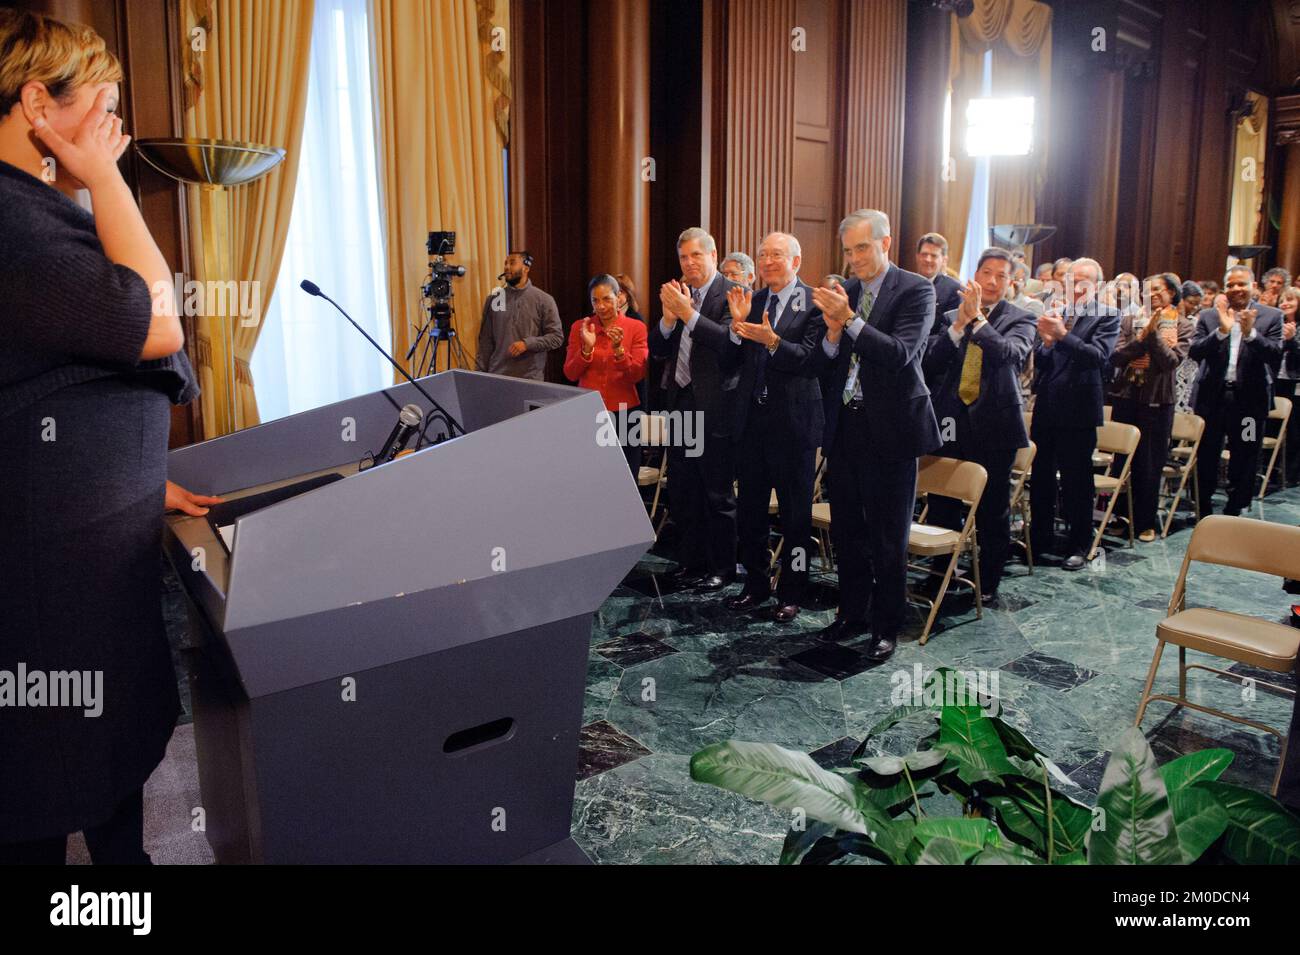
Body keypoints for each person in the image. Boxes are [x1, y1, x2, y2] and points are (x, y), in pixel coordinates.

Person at [0, 8, 221, 864]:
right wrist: (107, 178)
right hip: (42, 587)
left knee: (110, 776)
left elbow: (60, 373)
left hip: (84, 550)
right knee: (40, 794)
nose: (115, 123)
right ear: (36, 102)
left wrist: (134, 478)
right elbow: (156, 320)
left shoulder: (34, 206)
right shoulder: (13, 221)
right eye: (103, 100)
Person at [809, 209, 941, 661]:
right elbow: (826, 362)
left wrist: (849, 321)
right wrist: (831, 334)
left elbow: (900, 354)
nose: (854, 259)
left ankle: (886, 626)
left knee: (887, 537)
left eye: (862, 248)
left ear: (886, 243)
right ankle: (851, 613)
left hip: (892, 430)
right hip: (846, 425)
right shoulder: (844, 292)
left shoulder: (916, 290)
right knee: (847, 531)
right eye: (848, 251)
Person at [922, 248, 1036, 604]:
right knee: (942, 504)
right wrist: (958, 325)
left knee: (992, 509)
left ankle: (987, 582)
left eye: (1000, 276)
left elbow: (1009, 355)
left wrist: (978, 323)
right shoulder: (950, 314)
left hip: (995, 425)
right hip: (950, 421)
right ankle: (941, 576)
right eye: (986, 272)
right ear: (975, 274)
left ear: (1010, 282)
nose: (991, 281)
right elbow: (930, 361)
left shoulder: (1021, 318)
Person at [723, 232, 825, 623]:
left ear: (795, 262)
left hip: (795, 427)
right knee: (750, 511)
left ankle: (792, 591)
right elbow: (731, 363)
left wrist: (772, 341)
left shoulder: (814, 302)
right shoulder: (753, 300)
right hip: (752, 424)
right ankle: (756, 584)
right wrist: (737, 326)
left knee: (796, 517)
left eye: (776, 255)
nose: (767, 261)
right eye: (762, 254)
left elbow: (812, 360)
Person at [651, 227, 741, 591]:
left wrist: (687, 313)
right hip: (681, 402)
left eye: (696, 256)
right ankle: (691, 561)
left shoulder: (733, 293)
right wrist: (668, 319)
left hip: (716, 406)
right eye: (684, 258)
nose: (689, 263)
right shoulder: (677, 295)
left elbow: (728, 345)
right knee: (684, 490)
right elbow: (657, 349)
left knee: (716, 493)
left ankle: (722, 567)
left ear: (713, 255)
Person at [1029, 257, 1120, 569]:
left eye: (1084, 280)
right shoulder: (1060, 311)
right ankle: (1039, 539)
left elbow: (1098, 358)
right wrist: (1045, 343)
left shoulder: (1107, 315)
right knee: (1040, 476)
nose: (1076, 286)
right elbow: (1043, 361)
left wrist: (1063, 336)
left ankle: (1080, 543)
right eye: (1071, 280)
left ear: (1096, 286)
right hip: (1048, 405)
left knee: (1076, 480)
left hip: (1079, 408)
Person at [1189, 266, 1285, 515]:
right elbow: (1195, 351)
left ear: (1253, 286)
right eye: (1230, 285)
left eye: (1241, 284)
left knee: (1245, 453)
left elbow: (1275, 354)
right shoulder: (1210, 315)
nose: (1236, 289)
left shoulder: (1271, 316)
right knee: (1207, 454)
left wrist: (1250, 334)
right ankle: (1203, 507)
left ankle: (1236, 507)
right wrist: (1221, 331)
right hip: (1213, 400)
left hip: (1250, 403)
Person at [1108, 274, 1193, 540]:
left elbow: (1170, 363)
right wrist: (1142, 338)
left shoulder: (1183, 325)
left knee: (1148, 463)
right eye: (1147, 290)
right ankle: (1120, 517)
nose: (1152, 293)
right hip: (1126, 396)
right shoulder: (1128, 320)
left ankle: (1145, 523)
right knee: (1122, 462)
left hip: (1157, 401)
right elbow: (1117, 356)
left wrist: (1152, 336)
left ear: (1172, 293)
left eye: (1158, 289)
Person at [563, 274, 648, 475]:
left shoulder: (635, 327)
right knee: (591, 474)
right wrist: (587, 350)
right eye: (595, 300)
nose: (601, 306)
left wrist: (619, 350)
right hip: (589, 410)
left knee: (625, 476)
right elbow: (570, 373)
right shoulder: (581, 327)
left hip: (625, 412)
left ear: (619, 297)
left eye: (606, 299)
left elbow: (636, 374)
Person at [475, 250, 563, 380]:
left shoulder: (544, 300)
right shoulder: (493, 299)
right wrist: (479, 374)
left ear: (526, 268)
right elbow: (485, 342)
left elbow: (556, 338)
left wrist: (527, 344)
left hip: (530, 378)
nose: (507, 267)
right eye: (505, 263)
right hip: (497, 376)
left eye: (512, 263)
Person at [915, 232, 962, 329]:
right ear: (917, 256)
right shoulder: (906, 283)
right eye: (924, 254)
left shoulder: (955, 290)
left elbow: (948, 332)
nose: (928, 259)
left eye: (934, 256)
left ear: (944, 260)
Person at [1276, 286, 1299, 485]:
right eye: (1282, 299)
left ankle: (1291, 475)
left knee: (1294, 430)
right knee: (1270, 428)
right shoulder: (1276, 325)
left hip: (1295, 385)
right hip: (1276, 382)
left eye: (1290, 299)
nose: (1285, 303)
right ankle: (1272, 472)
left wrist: (1291, 341)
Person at [1175, 280, 1204, 413]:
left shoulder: (1196, 322)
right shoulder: (1170, 319)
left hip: (1189, 371)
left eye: (1197, 305)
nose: (1194, 307)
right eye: (1191, 303)